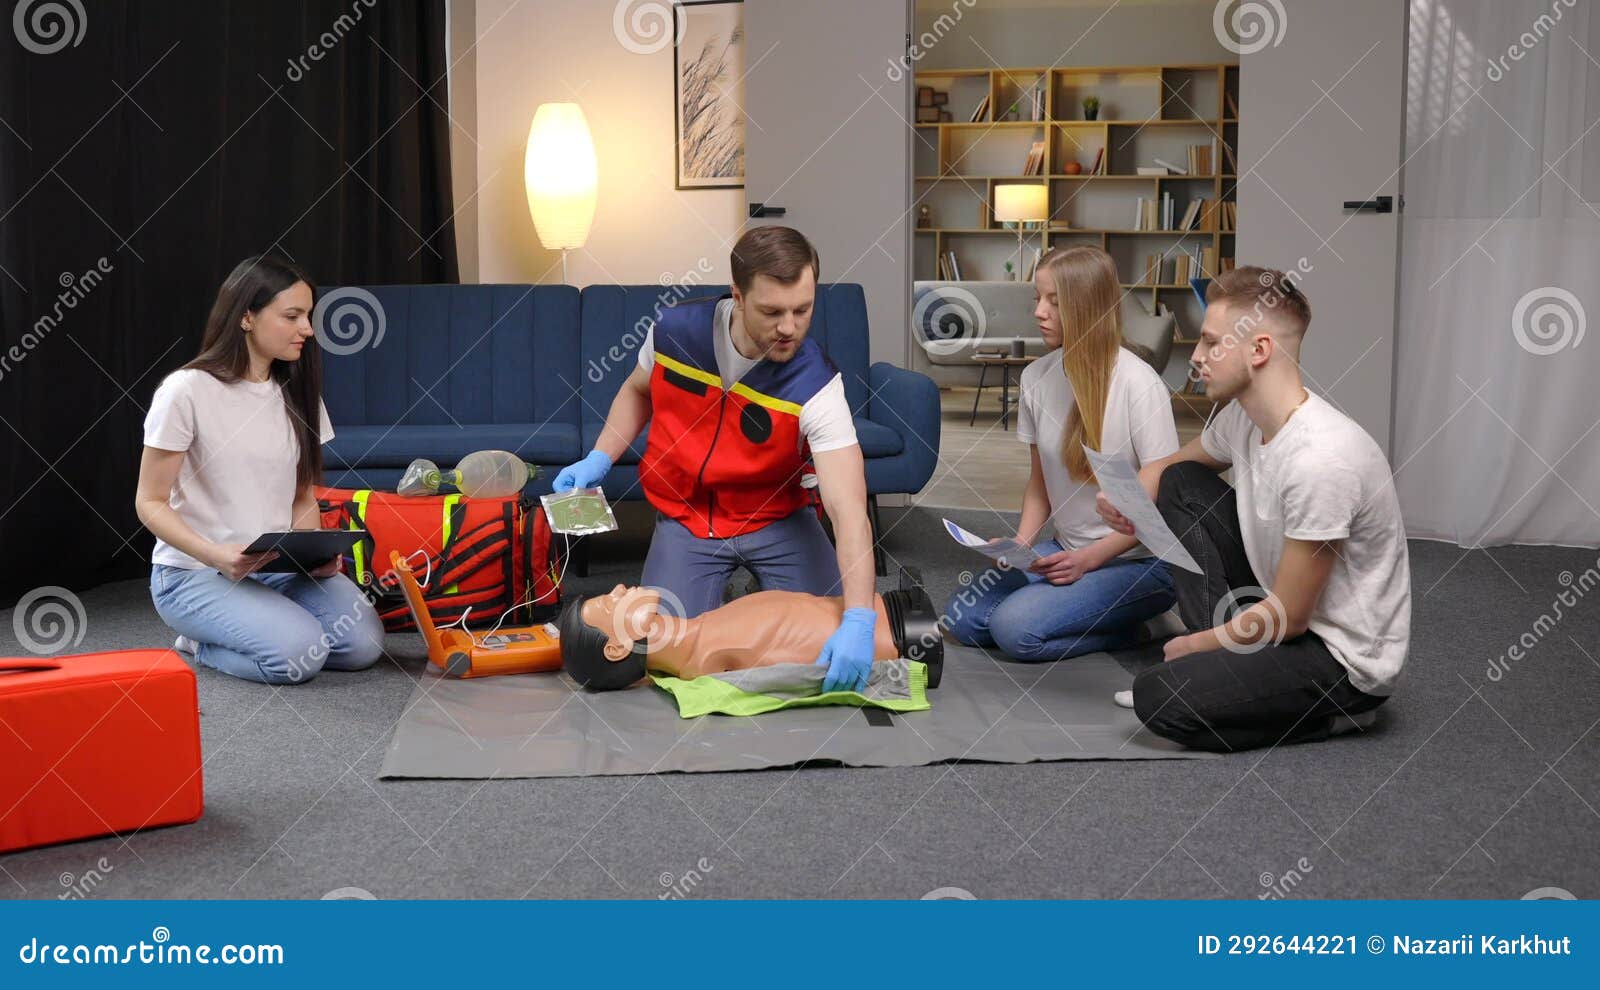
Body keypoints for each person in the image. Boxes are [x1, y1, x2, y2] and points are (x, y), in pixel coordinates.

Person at [551, 226, 879, 693]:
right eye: (772, 312)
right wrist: (599, 458)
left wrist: (860, 618)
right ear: (737, 296)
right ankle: (742, 601)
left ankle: (759, 597)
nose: (789, 328)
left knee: (826, 641)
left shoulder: (817, 384)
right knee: (661, 652)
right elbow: (637, 390)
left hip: (777, 520)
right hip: (687, 521)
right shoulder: (673, 333)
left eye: (803, 310)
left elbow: (849, 511)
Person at [1098, 266, 1410, 752]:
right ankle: (1214, 668)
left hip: (1337, 656)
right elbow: (1171, 468)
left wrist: (1195, 646)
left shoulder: (1322, 460)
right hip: (1281, 603)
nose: (1196, 357)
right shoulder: (1242, 418)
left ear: (1259, 349)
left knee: (1158, 698)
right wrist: (1130, 497)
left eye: (1210, 343)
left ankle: (1340, 715)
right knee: (1181, 483)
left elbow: (1289, 617)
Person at [135, 256, 384, 685]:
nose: (307, 329)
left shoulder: (299, 393)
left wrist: (310, 556)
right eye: (292, 316)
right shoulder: (185, 391)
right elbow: (149, 501)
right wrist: (215, 555)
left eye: (308, 316)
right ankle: (198, 643)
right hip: (194, 573)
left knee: (362, 646)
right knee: (299, 656)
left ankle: (262, 618)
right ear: (247, 317)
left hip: (273, 566)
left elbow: (302, 497)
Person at [945, 246, 1178, 661]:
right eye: (1038, 298)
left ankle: (1140, 627)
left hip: (1141, 562)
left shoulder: (1139, 384)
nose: (1039, 312)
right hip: (1065, 549)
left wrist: (1089, 559)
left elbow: (1157, 506)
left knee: (1014, 630)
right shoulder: (1036, 377)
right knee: (963, 619)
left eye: (1054, 301)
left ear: (1087, 306)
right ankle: (1098, 614)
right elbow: (1040, 482)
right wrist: (1019, 545)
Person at [558, 580, 941, 691]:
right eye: (610, 603)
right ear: (617, 648)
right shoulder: (713, 655)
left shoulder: (707, 630)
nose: (619, 589)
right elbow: (795, 666)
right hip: (903, 634)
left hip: (885, 611)